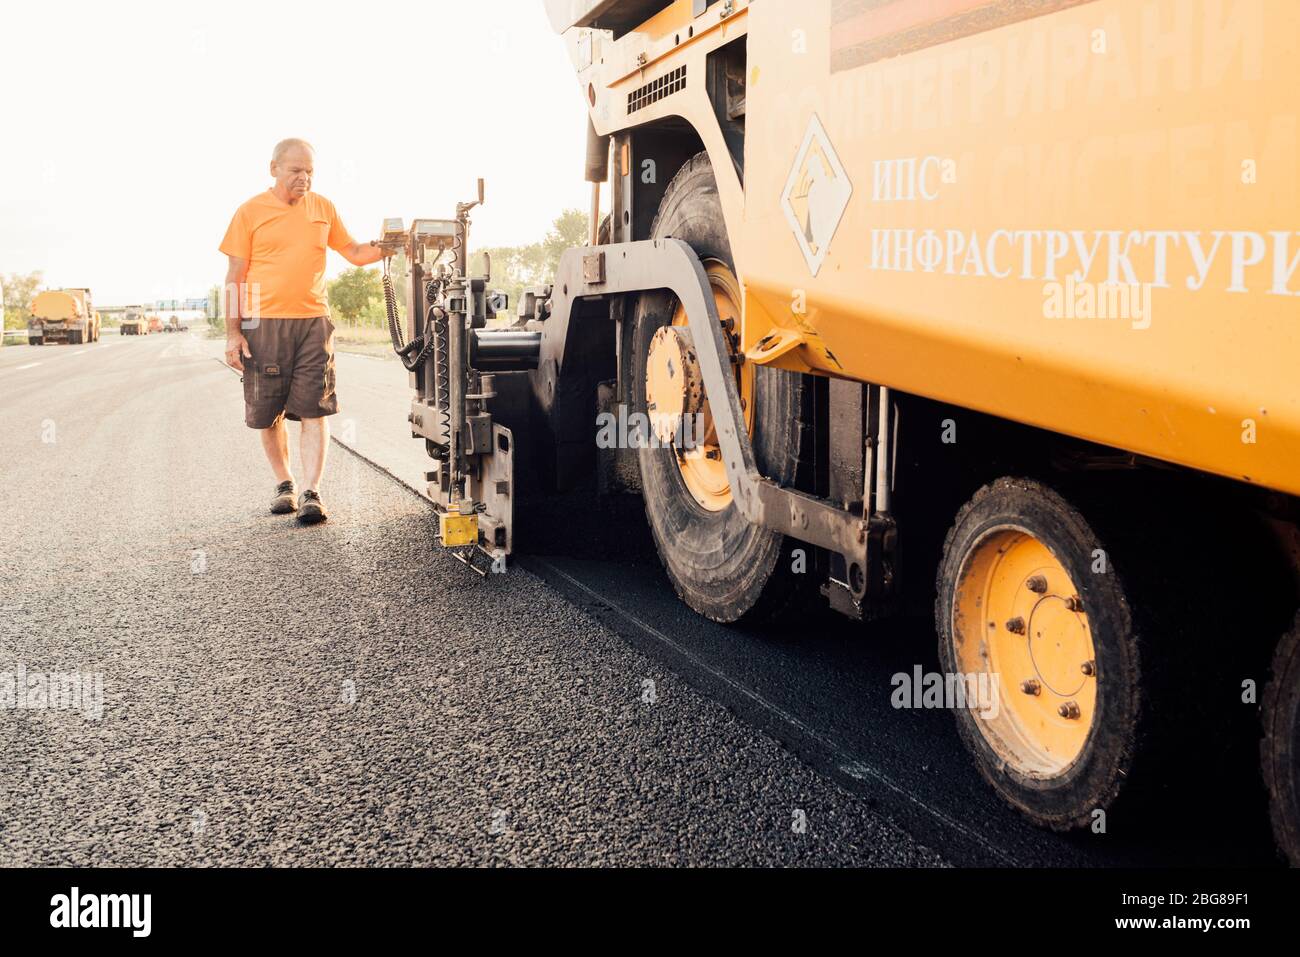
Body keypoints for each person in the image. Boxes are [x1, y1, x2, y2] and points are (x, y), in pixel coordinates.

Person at [220, 138, 390, 523]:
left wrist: (392, 246)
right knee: (268, 412)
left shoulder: (323, 207)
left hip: (314, 322)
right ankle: (285, 484)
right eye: (296, 170)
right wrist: (233, 333)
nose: (304, 178)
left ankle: (312, 492)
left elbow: (355, 253)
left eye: (310, 171)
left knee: (315, 407)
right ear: (274, 169)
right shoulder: (249, 212)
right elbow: (234, 276)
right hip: (262, 324)